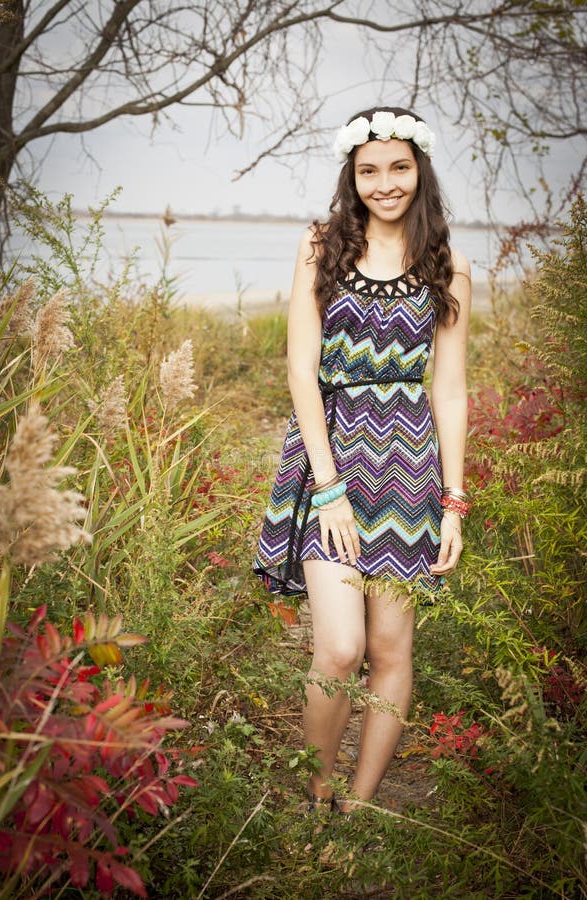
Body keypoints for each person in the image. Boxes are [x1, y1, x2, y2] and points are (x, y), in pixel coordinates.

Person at [253, 106, 471, 813]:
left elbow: (450, 386)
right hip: (332, 456)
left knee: (391, 649)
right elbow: (298, 368)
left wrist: (454, 504)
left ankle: (360, 803)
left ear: (420, 172)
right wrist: (329, 489)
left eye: (399, 168)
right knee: (341, 648)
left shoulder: (450, 266)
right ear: (352, 174)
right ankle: (316, 795)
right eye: (370, 170)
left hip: (410, 468)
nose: (385, 183)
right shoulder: (322, 248)